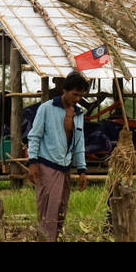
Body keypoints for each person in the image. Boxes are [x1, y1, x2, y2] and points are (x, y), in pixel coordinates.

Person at [25, 71, 89, 241]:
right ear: (65, 90)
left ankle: (56, 238)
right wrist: (32, 163)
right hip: (47, 165)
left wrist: (82, 170)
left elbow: (79, 143)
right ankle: (46, 239)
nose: (77, 99)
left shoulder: (79, 114)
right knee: (48, 209)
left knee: (61, 208)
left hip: (65, 167)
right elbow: (34, 136)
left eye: (80, 96)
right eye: (75, 94)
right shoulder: (46, 108)